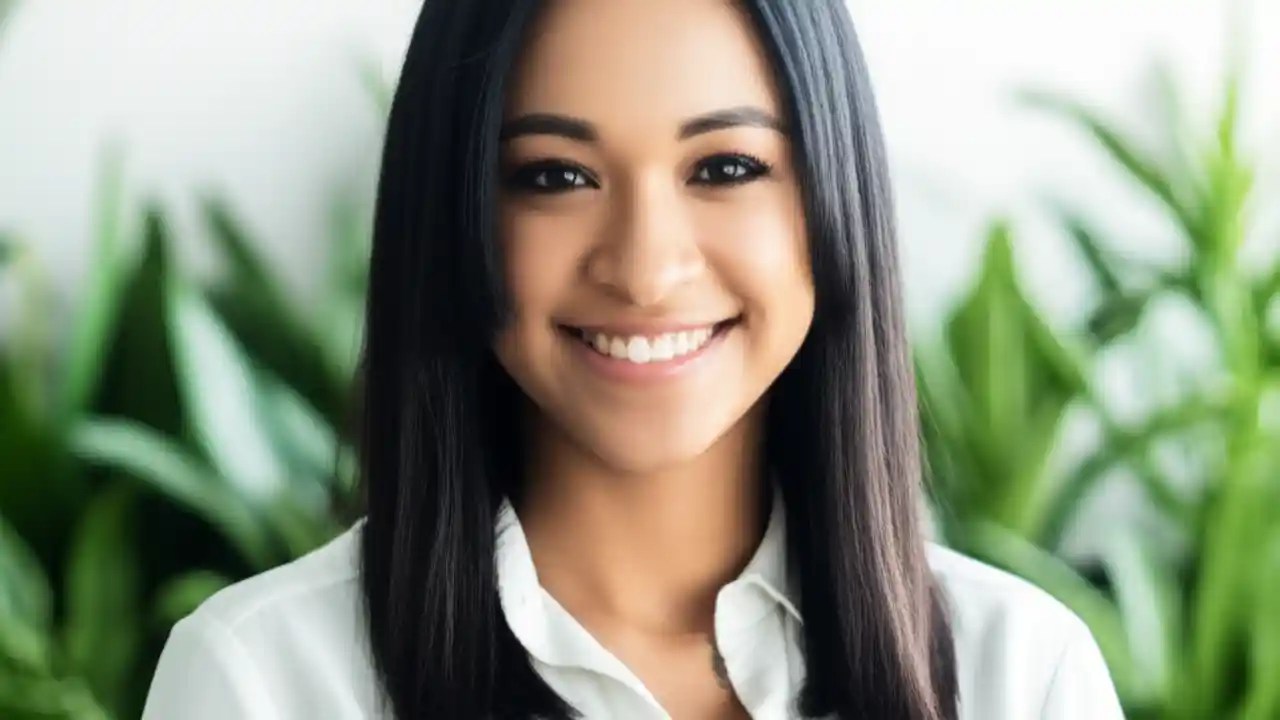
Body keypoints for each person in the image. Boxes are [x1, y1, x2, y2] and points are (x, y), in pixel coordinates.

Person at [141, 0, 1126, 718]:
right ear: (452, 218)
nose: (646, 269)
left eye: (725, 168)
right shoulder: (263, 679)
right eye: (556, 176)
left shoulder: (1018, 674)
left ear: (832, 203)